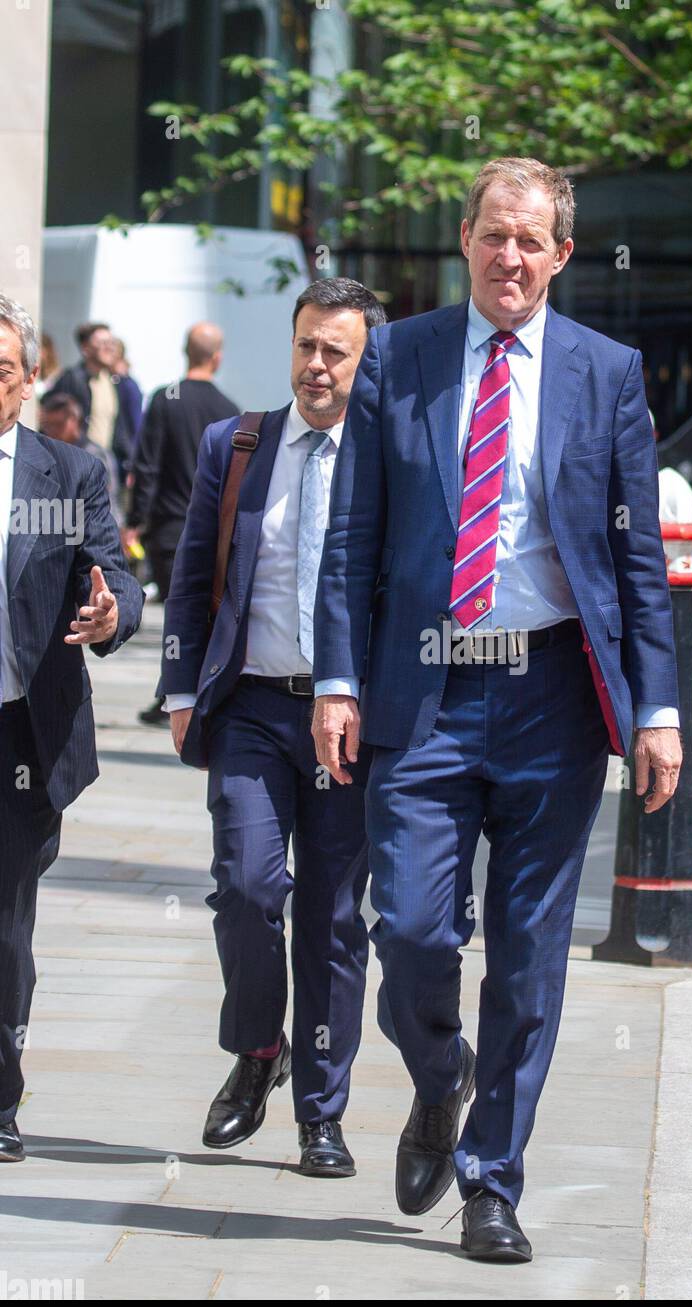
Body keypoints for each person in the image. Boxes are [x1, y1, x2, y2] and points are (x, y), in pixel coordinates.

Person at [312, 158, 682, 1262]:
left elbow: (637, 559)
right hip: (419, 695)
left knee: (527, 954)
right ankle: (438, 1080)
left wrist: (656, 705)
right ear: (463, 239)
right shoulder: (403, 360)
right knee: (413, 929)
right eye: (493, 236)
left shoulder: (607, 373)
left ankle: (493, 1178)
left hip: (552, 698)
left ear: (562, 254)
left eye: (532, 241)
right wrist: (336, 680)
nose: (510, 258)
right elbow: (351, 541)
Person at [160, 278, 386, 1177]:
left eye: (336, 351)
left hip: (351, 723)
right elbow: (189, 574)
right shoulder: (239, 444)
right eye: (305, 346)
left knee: (333, 915)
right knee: (249, 888)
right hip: (251, 704)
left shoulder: (387, 456)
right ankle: (259, 1051)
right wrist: (180, 688)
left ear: (365, 363)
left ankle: (321, 1112)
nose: (317, 366)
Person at [0, 295, 143, 1162]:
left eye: (2, 370)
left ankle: (0, 1095)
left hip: (21, 733)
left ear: (25, 380)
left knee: (5, 923)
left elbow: (113, 575)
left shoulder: (68, 470)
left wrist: (109, 615)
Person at [127, 323, 239, 725]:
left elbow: (147, 464)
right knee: (204, 610)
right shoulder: (229, 408)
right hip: (214, 530)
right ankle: (189, 691)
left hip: (169, 524)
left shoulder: (164, 399)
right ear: (217, 357)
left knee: (179, 612)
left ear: (184, 351)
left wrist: (135, 520)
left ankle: (172, 692)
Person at [49, 322, 142, 475]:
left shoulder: (114, 382)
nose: (110, 348)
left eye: (112, 342)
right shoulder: (72, 379)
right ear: (85, 349)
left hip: (106, 466)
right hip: (76, 465)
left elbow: (120, 429)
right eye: (103, 343)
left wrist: (129, 461)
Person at [38, 392, 122, 524]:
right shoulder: (46, 453)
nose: (51, 431)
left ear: (74, 420)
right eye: (47, 426)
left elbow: (105, 503)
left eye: (58, 425)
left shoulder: (93, 455)